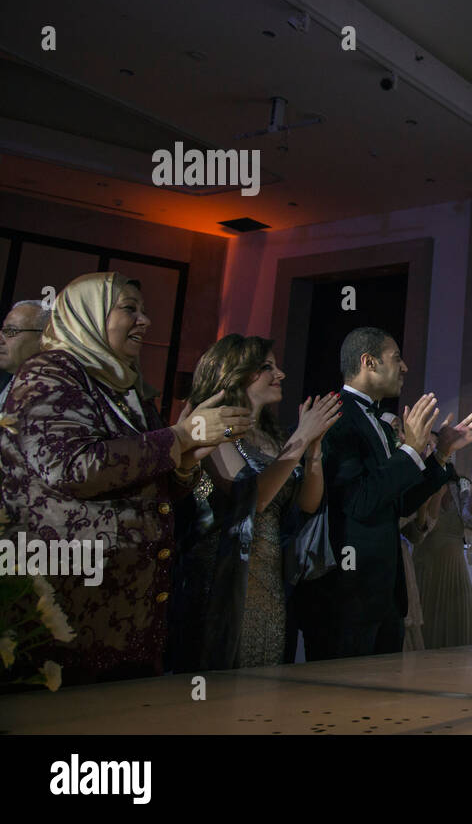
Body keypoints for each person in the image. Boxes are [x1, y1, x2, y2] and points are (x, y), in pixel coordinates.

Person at [0, 272, 250, 684]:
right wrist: (180, 436)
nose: (145, 321)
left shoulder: (125, 386)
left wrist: (187, 461)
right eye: (129, 309)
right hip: (70, 603)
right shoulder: (49, 374)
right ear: (87, 315)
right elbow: (71, 467)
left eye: (145, 311)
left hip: (126, 613)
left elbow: (151, 481)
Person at [299, 326, 472, 660]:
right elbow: (360, 501)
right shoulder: (337, 417)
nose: (404, 367)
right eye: (396, 358)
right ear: (368, 362)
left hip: (383, 596)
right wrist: (411, 450)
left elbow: (397, 502)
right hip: (346, 596)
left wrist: (440, 453)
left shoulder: (373, 421)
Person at [186, 335, 341, 669]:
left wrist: (313, 450)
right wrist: (300, 439)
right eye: (267, 367)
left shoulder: (273, 438)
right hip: (225, 576)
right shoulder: (212, 427)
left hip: (271, 577)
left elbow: (308, 506)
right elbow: (249, 500)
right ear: (236, 373)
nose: (280, 374)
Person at [413, 448, 472, 649]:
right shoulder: (416, 483)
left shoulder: (461, 484)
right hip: (425, 564)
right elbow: (419, 527)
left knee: (455, 626)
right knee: (425, 625)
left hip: (454, 567)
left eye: (437, 448)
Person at [0, 299, 50, 408]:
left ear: (44, 337)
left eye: (10, 331)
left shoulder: (52, 393)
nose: (1, 339)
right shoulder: (5, 378)